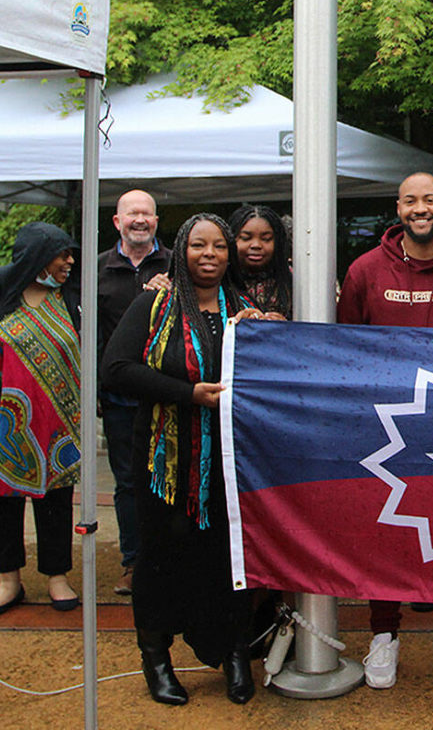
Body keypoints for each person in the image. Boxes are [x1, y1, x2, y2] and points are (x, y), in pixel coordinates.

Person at [102, 213, 268, 706]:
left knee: (225, 559)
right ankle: (157, 659)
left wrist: (267, 334)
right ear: (180, 251)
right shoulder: (154, 305)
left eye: (219, 246)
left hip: (229, 463)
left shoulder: (245, 312)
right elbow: (116, 369)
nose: (209, 255)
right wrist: (187, 393)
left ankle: (233, 652)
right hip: (165, 466)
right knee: (160, 562)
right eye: (199, 245)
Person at [337, 172, 433, 686]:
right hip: (384, 426)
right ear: (398, 207)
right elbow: (346, 349)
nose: (420, 209)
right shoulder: (364, 270)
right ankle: (384, 633)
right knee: (387, 531)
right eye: (411, 201)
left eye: (430, 200)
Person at [0, 222, 82, 619]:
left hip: (58, 420)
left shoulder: (71, 292)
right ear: (38, 256)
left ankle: (57, 576)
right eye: (62, 254)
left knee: (56, 498)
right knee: (1, 500)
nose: (70, 261)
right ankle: (9, 581)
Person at [98, 189, 172, 596]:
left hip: (169, 393)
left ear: (156, 221)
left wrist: (169, 292)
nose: (140, 220)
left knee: (170, 476)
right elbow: (90, 334)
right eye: (132, 214)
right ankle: (134, 562)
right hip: (120, 401)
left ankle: (171, 562)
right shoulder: (97, 270)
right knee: (127, 483)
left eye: (147, 213)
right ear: (117, 221)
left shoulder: (177, 264)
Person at [229, 204, 292, 318]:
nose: (256, 245)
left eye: (266, 239)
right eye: (246, 238)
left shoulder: (293, 282)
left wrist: (285, 326)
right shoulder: (220, 282)